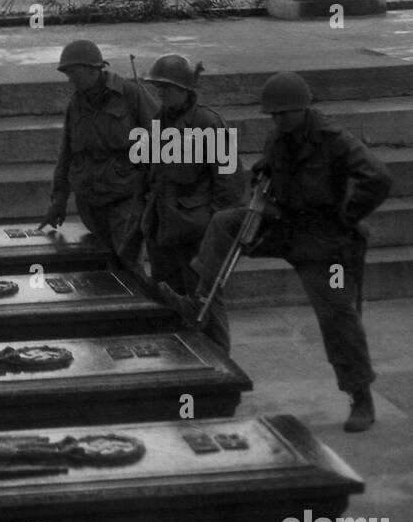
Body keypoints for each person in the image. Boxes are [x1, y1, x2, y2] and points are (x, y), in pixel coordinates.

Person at [160, 72, 391, 433]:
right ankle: (201, 296)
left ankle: (360, 396)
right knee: (224, 222)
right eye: (274, 115)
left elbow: (378, 178)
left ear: (303, 108)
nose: (278, 120)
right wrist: (262, 184)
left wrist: (346, 217)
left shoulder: (335, 140)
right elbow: (265, 170)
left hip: (323, 242)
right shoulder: (277, 137)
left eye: (285, 114)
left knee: (337, 318)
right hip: (282, 226)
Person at [140, 54, 244, 353]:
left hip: (198, 233)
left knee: (206, 303)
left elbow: (230, 186)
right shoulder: (159, 121)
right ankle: (180, 364)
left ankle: (222, 369)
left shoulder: (207, 123)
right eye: (158, 88)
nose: (161, 94)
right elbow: (152, 174)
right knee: (168, 302)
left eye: (167, 88)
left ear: (185, 90)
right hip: (163, 228)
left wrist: (213, 230)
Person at [39, 39, 157, 268]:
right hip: (90, 205)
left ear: (92, 69)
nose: (70, 78)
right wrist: (59, 200)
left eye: (73, 72)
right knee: (102, 266)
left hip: (125, 201)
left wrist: (153, 192)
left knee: (129, 267)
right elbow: (67, 154)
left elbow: (161, 141)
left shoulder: (130, 95)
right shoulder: (76, 103)